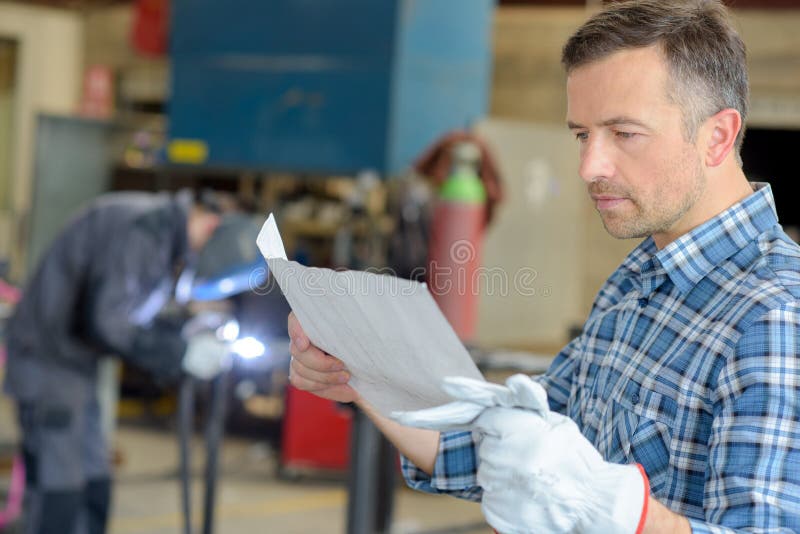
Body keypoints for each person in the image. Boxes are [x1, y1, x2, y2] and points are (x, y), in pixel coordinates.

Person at [286, 0, 800, 532]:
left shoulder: (776, 318)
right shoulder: (638, 279)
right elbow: (488, 452)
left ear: (716, 136)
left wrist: (628, 513)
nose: (589, 167)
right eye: (582, 135)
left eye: (624, 134)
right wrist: (361, 374)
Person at [4, 190, 231, 534]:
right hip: (48, 364)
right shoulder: (146, 227)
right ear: (211, 223)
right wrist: (180, 353)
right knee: (59, 486)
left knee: (94, 477)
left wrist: (185, 330)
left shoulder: (161, 232)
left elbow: (136, 309)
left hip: (78, 366)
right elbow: (110, 321)